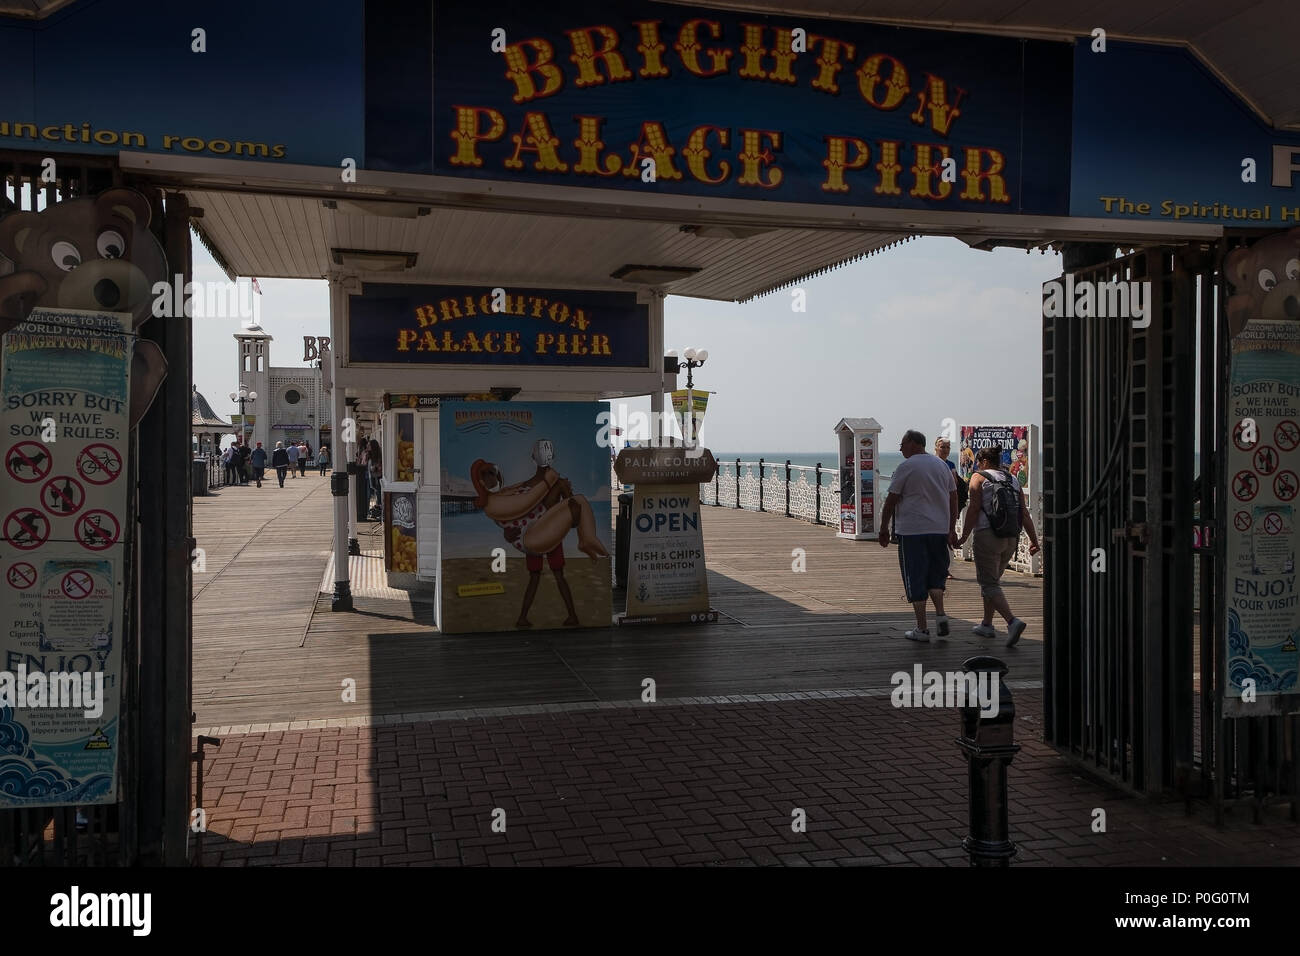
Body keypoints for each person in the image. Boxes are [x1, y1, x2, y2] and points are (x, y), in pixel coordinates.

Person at [877, 429, 959, 642]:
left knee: (915, 576)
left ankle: (922, 629)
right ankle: (940, 615)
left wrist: (884, 528)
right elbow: (953, 498)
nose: (901, 448)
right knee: (936, 574)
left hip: (912, 531)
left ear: (913, 444)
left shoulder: (906, 467)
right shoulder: (942, 466)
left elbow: (891, 500)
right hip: (939, 529)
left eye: (902, 444)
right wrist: (951, 527)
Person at [956, 444, 1041, 647]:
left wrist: (963, 537)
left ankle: (1012, 621)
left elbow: (974, 509)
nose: (976, 466)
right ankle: (986, 624)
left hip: (987, 536)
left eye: (978, 462)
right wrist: (1034, 540)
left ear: (984, 461)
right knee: (993, 582)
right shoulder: (1011, 479)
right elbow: (1025, 513)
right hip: (1011, 537)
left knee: (989, 584)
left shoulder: (978, 478)